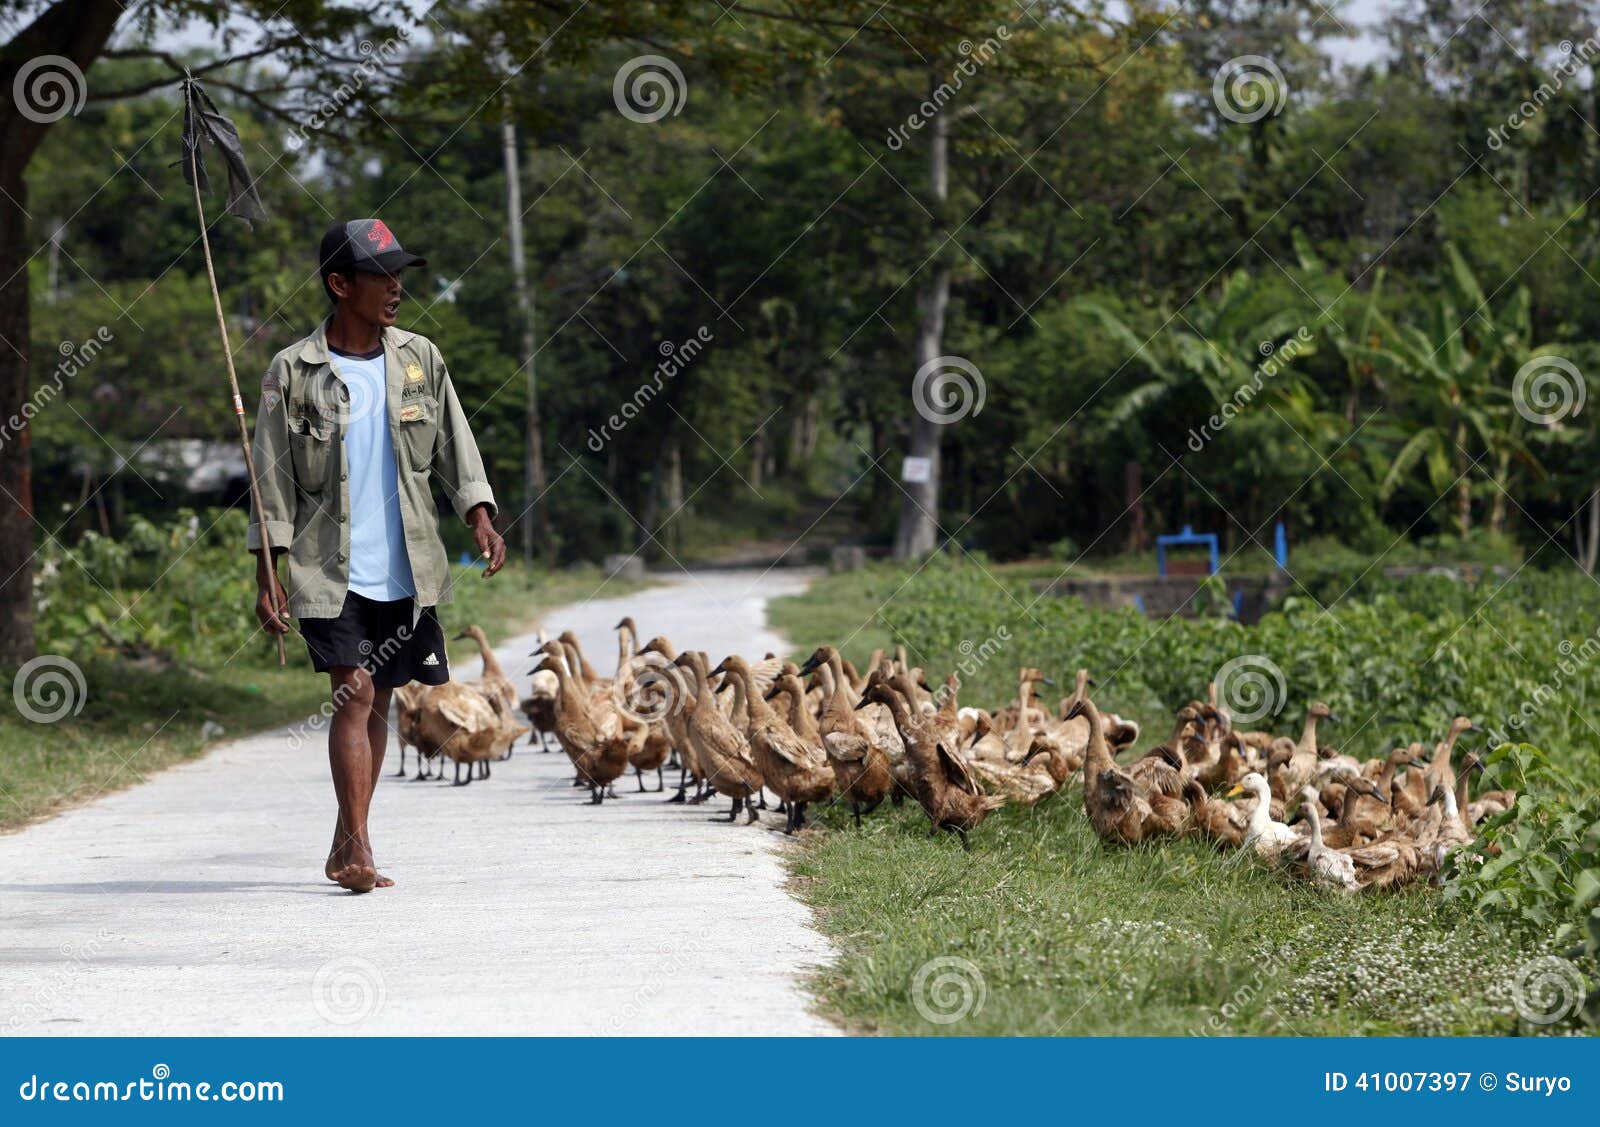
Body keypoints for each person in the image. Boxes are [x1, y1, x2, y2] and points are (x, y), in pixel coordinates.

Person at [248, 218, 507, 893]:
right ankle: (361, 844)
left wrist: (479, 513)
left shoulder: (421, 357)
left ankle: (343, 836)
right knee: (353, 693)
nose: (396, 289)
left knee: (381, 701)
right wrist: (266, 573)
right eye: (380, 276)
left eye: (400, 275)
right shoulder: (291, 372)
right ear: (340, 284)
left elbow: (455, 441)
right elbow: (270, 476)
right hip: (324, 567)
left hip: (405, 566)